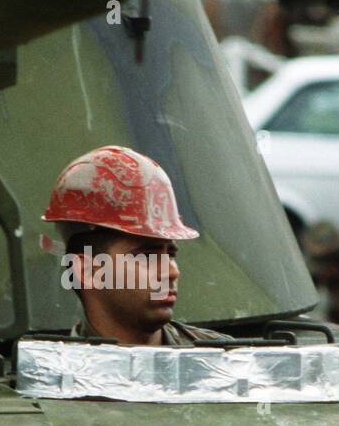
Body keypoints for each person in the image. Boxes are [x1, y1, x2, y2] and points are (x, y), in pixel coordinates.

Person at [42, 145, 229, 346]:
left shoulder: (223, 359)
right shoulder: (53, 373)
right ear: (87, 271)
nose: (172, 272)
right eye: (147, 256)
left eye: (171, 254)